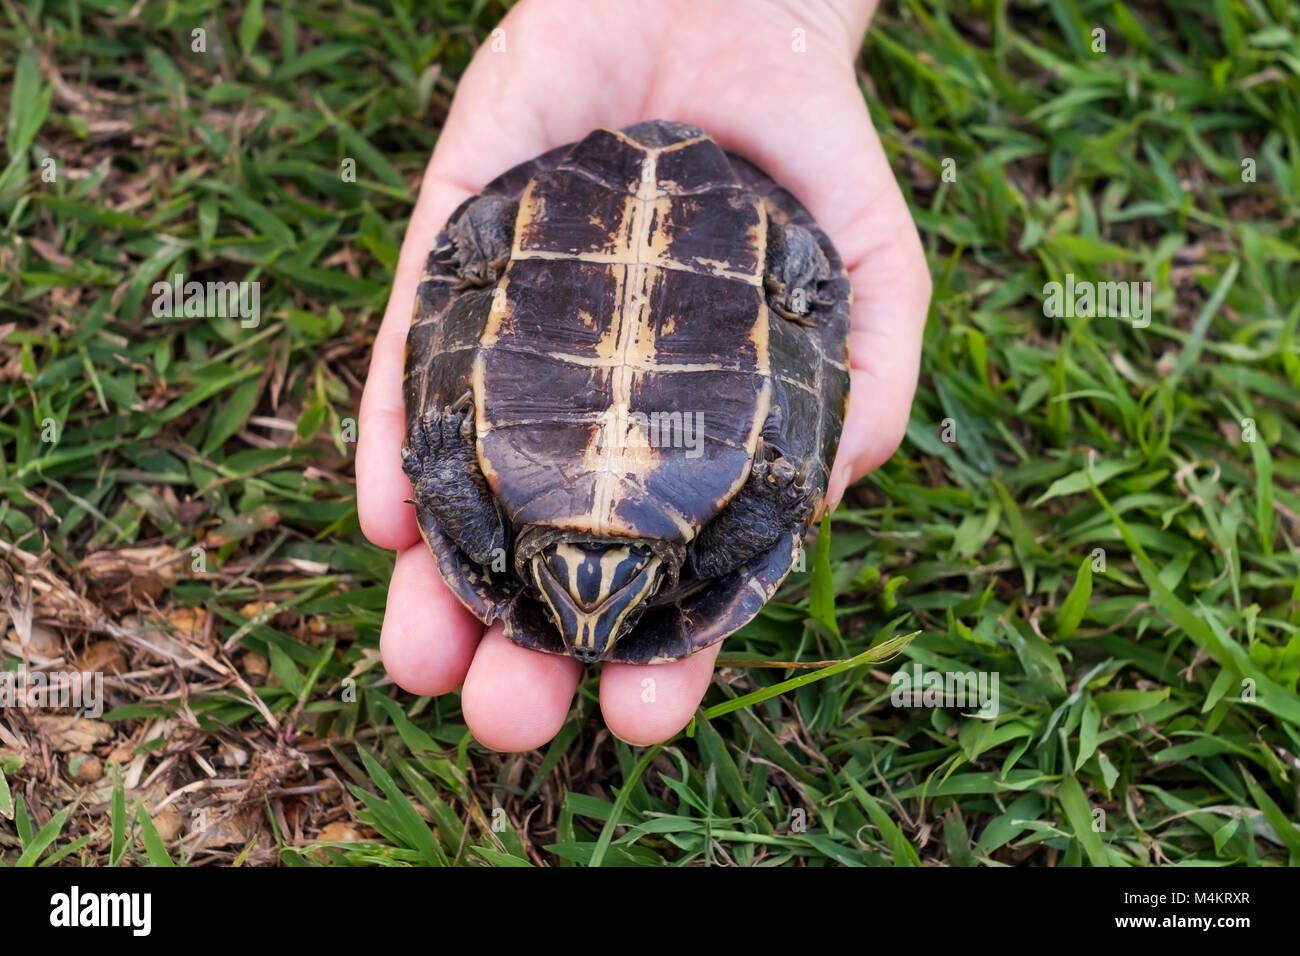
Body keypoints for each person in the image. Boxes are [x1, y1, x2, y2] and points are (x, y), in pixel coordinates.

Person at [357, 0, 931, 751]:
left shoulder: (496, 549)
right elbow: (775, 499)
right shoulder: (678, 554)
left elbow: (446, 472)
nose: (585, 611)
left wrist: (444, 471)